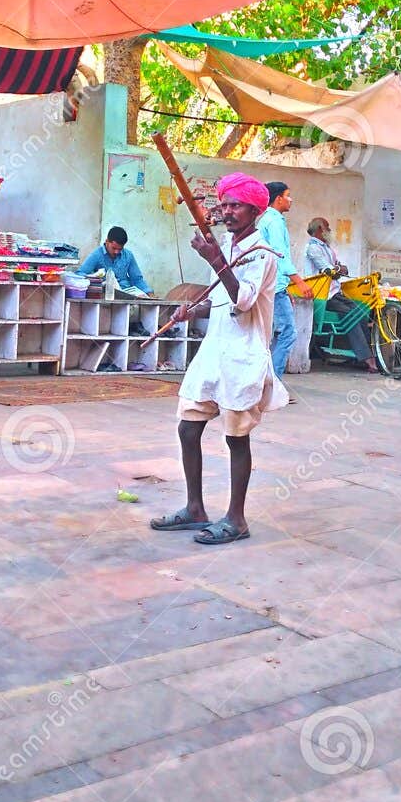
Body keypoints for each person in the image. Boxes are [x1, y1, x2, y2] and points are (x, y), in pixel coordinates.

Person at [149, 172, 286, 546]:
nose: (228, 212)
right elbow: (222, 300)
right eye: (224, 205)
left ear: (255, 210)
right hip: (214, 351)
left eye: (236, 205)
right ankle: (195, 508)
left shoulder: (262, 255)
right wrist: (193, 311)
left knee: (236, 438)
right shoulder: (225, 244)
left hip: (243, 356)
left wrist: (215, 261)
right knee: (188, 426)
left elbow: (243, 302)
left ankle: (236, 519)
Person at [255, 181, 312, 378]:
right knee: (288, 334)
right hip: (273, 287)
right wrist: (299, 282)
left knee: (275, 335)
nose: (291, 199)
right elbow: (280, 256)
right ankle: (273, 384)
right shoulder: (275, 221)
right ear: (278, 199)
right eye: (288, 195)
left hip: (272, 285)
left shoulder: (266, 220)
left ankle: (267, 381)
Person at [305, 216, 376, 370]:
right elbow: (329, 270)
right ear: (319, 230)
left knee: (361, 311)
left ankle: (365, 355)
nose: (330, 231)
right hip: (323, 295)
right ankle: (367, 358)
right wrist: (338, 269)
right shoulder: (313, 248)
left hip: (335, 292)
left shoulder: (328, 248)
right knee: (351, 315)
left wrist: (339, 269)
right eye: (327, 228)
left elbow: (339, 267)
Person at [78, 226, 152, 295]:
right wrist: (93, 278)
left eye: (120, 249)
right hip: (105, 294)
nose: (116, 252)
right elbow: (80, 274)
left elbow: (137, 279)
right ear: (107, 241)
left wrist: (149, 293)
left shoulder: (128, 255)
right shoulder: (97, 255)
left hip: (125, 294)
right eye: (114, 248)